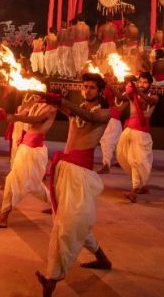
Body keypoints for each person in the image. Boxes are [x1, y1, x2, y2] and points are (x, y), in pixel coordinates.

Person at [36, 74, 112, 296]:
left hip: (81, 174)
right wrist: (50, 100)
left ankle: (52, 278)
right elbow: (72, 111)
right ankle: (102, 258)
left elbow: (87, 115)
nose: (86, 90)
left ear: (99, 90)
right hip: (66, 169)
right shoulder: (77, 107)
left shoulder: (103, 113)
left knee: (68, 225)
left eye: (91, 88)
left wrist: (60, 101)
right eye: (84, 87)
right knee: (71, 222)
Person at [0, 92, 56, 228]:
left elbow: (37, 120)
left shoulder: (51, 108)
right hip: (26, 147)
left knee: (16, 181)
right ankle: (58, 205)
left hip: (34, 151)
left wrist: (15, 117)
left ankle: (3, 217)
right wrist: (4, 115)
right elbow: (21, 114)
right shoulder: (34, 105)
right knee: (31, 184)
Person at [115, 72, 159, 202]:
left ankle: (134, 191)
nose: (142, 84)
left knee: (137, 161)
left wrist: (137, 92)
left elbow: (149, 101)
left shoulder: (154, 97)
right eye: (140, 82)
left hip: (141, 133)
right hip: (129, 130)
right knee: (130, 159)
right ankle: (143, 186)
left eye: (145, 82)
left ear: (150, 84)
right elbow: (120, 97)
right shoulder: (132, 95)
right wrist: (112, 87)